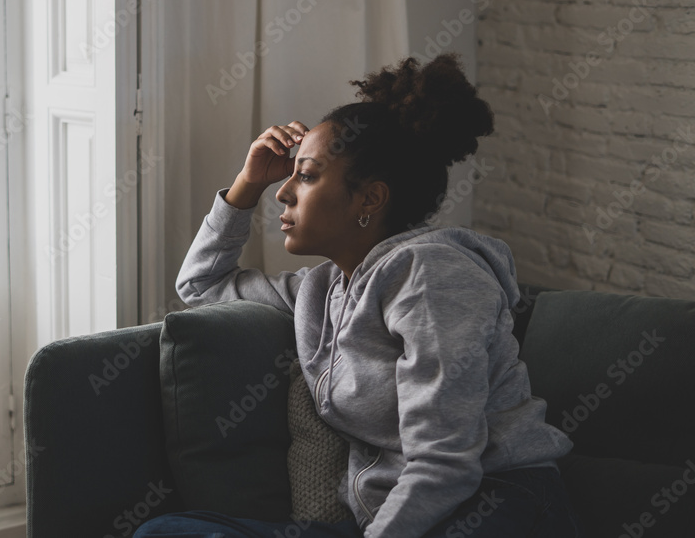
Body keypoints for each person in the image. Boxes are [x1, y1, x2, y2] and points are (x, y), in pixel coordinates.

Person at [133, 54, 584, 538]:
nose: (283, 193)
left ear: (369, 199)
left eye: (305, 175)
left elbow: (445, 462)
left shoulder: (432, 275)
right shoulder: (322, 290)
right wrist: (247, 185)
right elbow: (200, 285)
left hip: (493, 505)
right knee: (168, 531)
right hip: (392, 520)